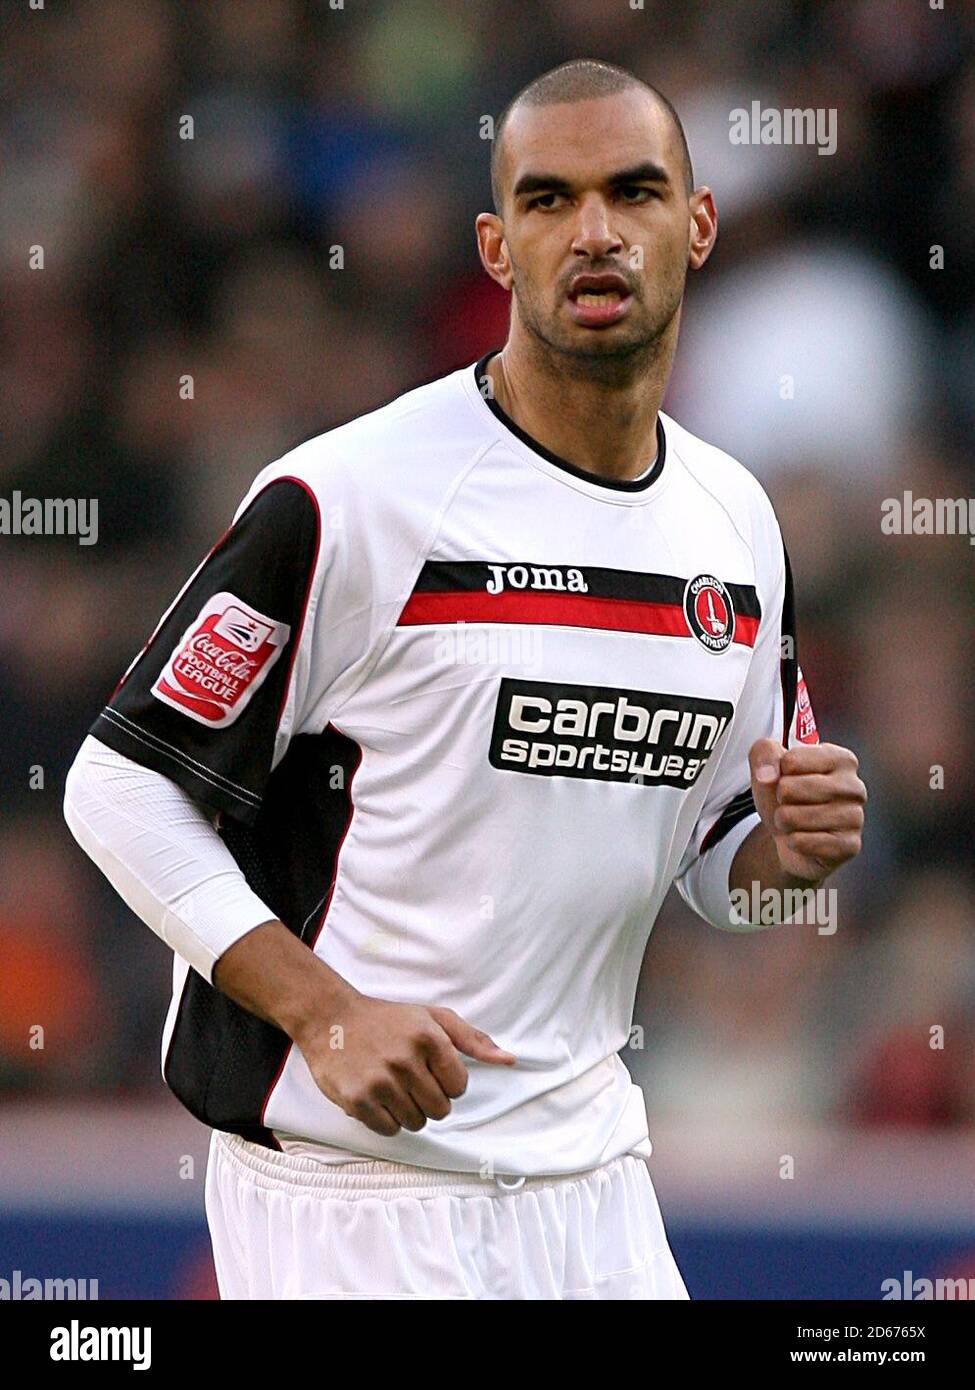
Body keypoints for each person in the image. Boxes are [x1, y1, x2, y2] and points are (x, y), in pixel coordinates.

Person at [63, 60, 866, 1301]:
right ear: (496, 247)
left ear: (697, 225)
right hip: (353, 1192)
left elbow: (711, 865)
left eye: (634, 192)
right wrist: (327, 1012)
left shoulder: (736, 522)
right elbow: (116, 786)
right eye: (549, 201)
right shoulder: (351, 499)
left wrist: (780, 862)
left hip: (595, 1178)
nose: (593, 232)